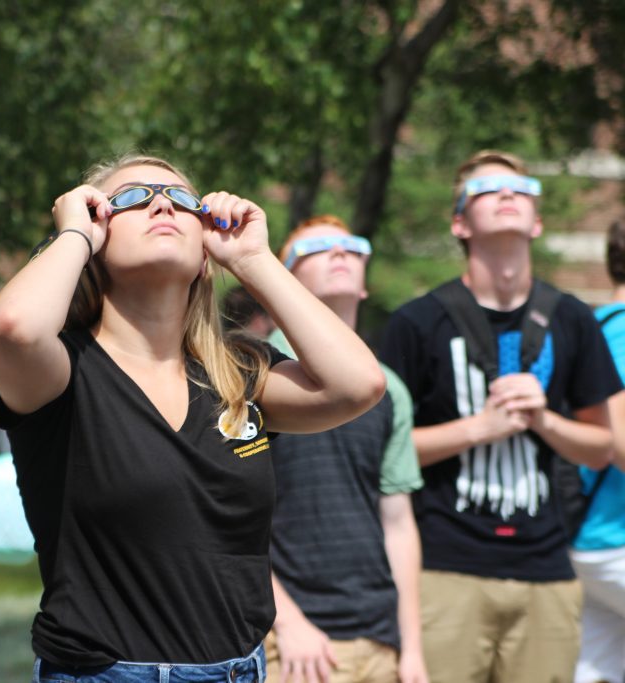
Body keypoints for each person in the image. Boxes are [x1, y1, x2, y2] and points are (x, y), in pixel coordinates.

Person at [0, 153, 386, 682]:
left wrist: (254, 260)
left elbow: (358, 386)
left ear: (203, 253)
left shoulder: (238, 370)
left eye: (181, 199)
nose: (161, 204)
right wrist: (73, 235)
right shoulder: (63, 370)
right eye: (131, 198)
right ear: (97, 240)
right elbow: (11, 329)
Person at [379, 150, 621, 683]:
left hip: (548, 573)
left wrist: (543, 421)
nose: (507, 194)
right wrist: (477, 429)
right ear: (460, 222)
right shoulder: (417, 323)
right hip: (445, 568)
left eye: (519, 187)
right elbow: (380, 448)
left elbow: (601, 446)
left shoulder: (573, 318)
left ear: (537, 220)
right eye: (486, 190)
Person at [263, 215, 428, 683]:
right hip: (291, 646)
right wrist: (288, 623)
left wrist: (410, 646)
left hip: (380, 643)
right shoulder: (251, 373)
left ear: (365, 287)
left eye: (352, 245)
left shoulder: (388, 388)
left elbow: (398, 522)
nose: (339, 252)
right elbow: (223, 522)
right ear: (283, 281)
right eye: (316, 248)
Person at [571, 218, 625, 683]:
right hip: (616, 541)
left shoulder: (597, 325)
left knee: (595, 669)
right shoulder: (624, 332)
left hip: (588, 535)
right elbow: (621, 442)